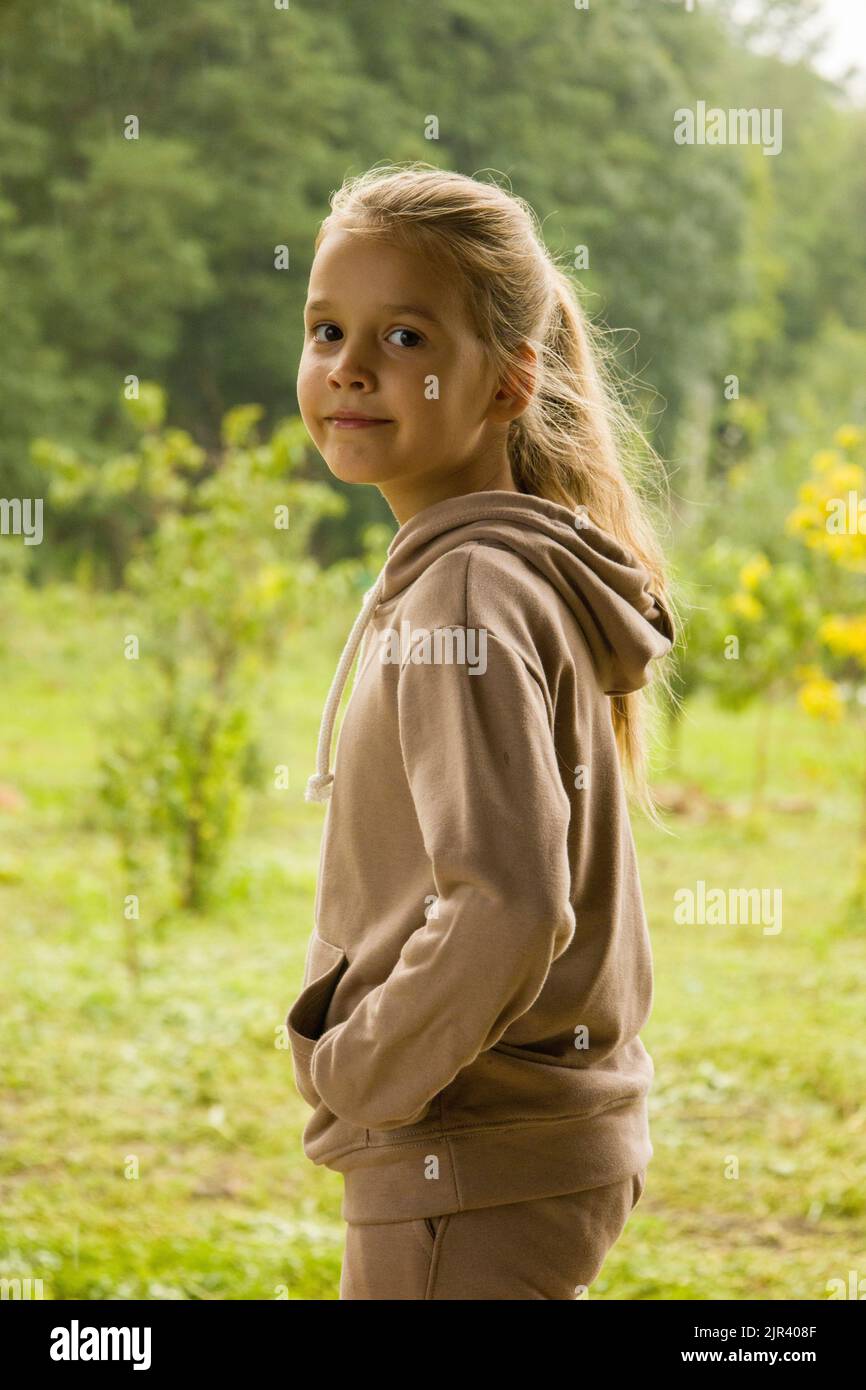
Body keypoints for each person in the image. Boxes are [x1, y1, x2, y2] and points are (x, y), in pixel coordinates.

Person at [287, 162, 678, 1300]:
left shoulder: (463, 596)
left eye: (405, 338)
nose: (348, 367)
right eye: (325, 330)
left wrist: (361, 1073)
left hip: (467, 1158)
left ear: (507, 386)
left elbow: (506, 900)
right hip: (516, 1155)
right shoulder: (497, 575)